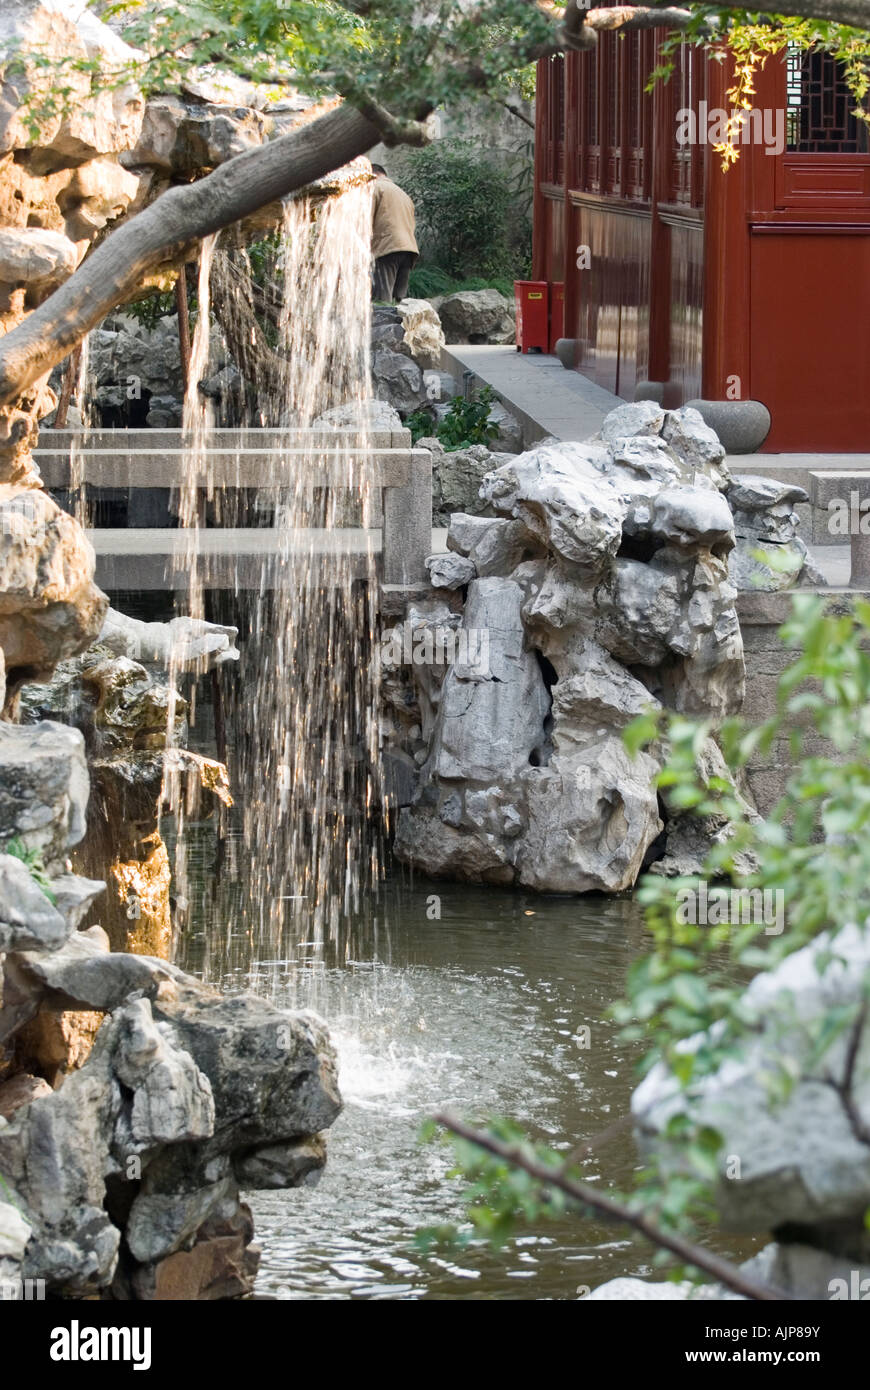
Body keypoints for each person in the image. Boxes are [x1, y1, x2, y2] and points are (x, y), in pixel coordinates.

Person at [370, 164, 419, 303]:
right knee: (399, 301)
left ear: (372, 174)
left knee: (382, 301)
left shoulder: (375, 188)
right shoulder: (403, 194)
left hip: (387, 248)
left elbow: (365, 222)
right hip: (409, 250)